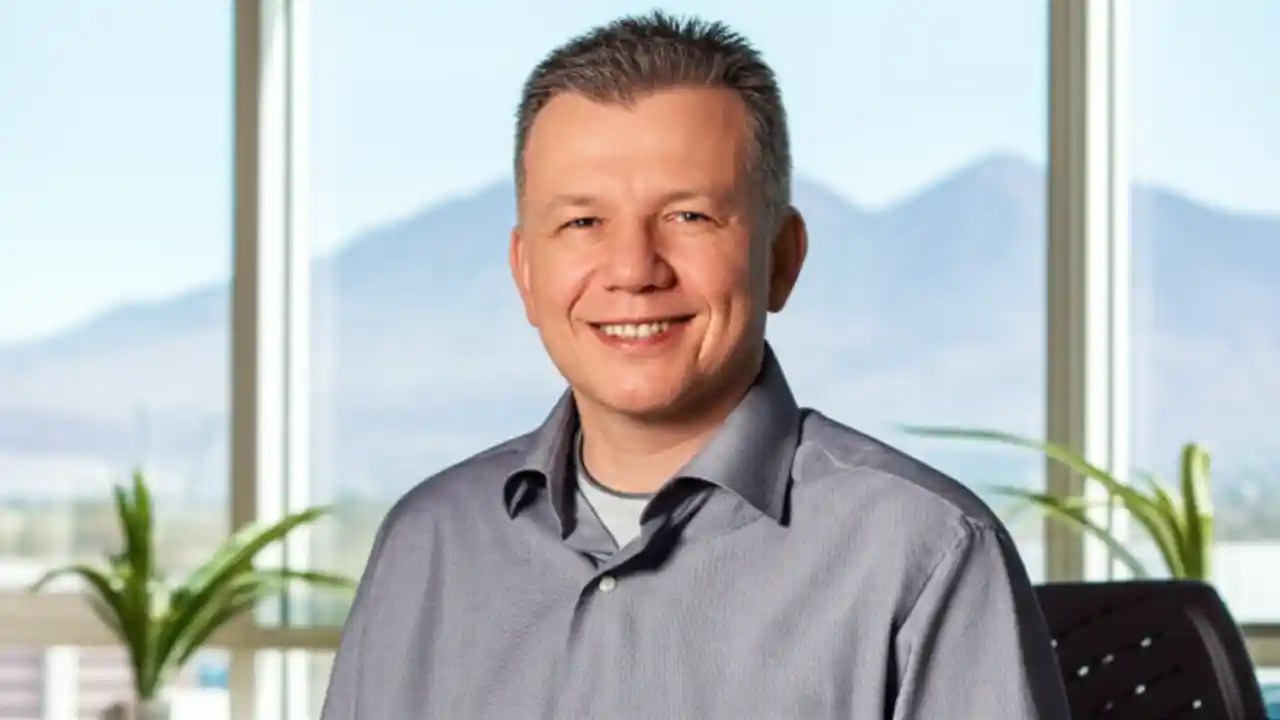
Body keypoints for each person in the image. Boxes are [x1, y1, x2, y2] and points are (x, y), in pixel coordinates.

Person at [320, 11, 1070, 720]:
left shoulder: (925, 551)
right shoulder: (427, 546)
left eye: (689, 217)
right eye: (583, 222)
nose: (633, 270)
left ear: (781, 258)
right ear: (526, 271)